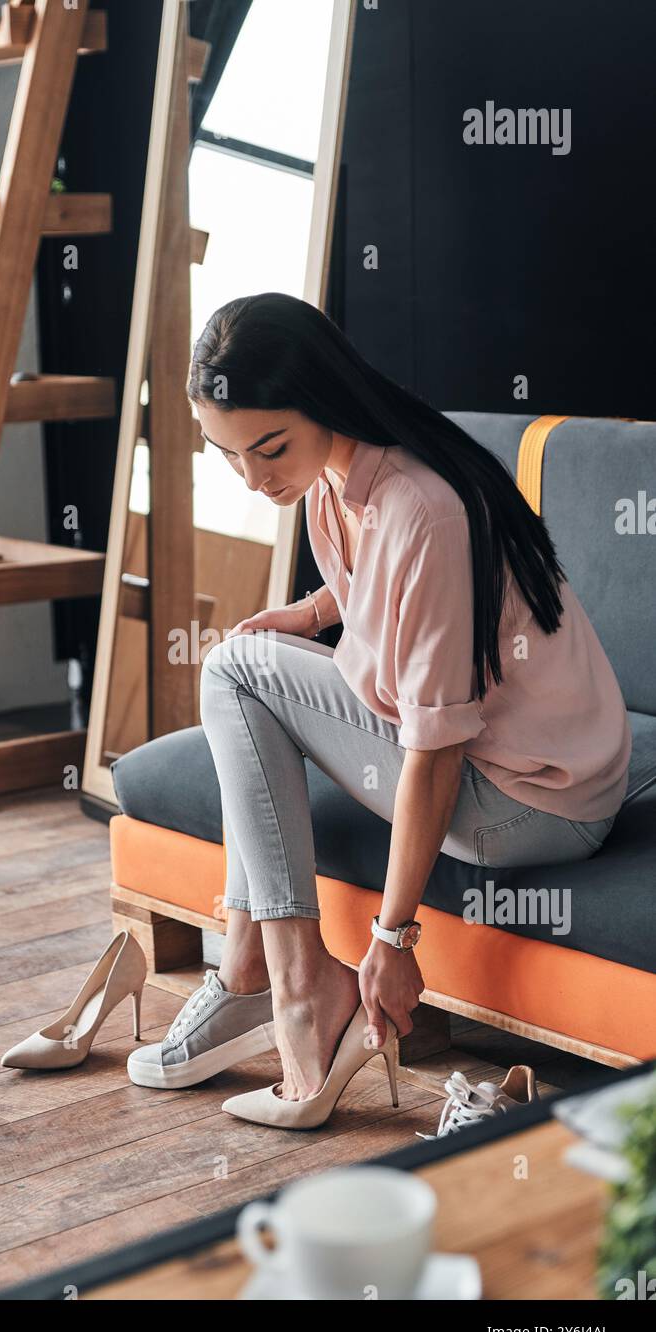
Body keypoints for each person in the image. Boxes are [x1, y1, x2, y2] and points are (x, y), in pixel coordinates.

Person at [126, 291, 631, 1128]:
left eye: (268, 447)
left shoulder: (422, 506)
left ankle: (291, 985)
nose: (253, 477)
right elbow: (382, 580)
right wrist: (315, 612)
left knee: (232, 675)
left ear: (321, 401)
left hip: (528, 804)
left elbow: (434, 745)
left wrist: (391, 943)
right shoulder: (338, 478)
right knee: (247, 684)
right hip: (529, 772)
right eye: (226, 456)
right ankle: (254, 973)